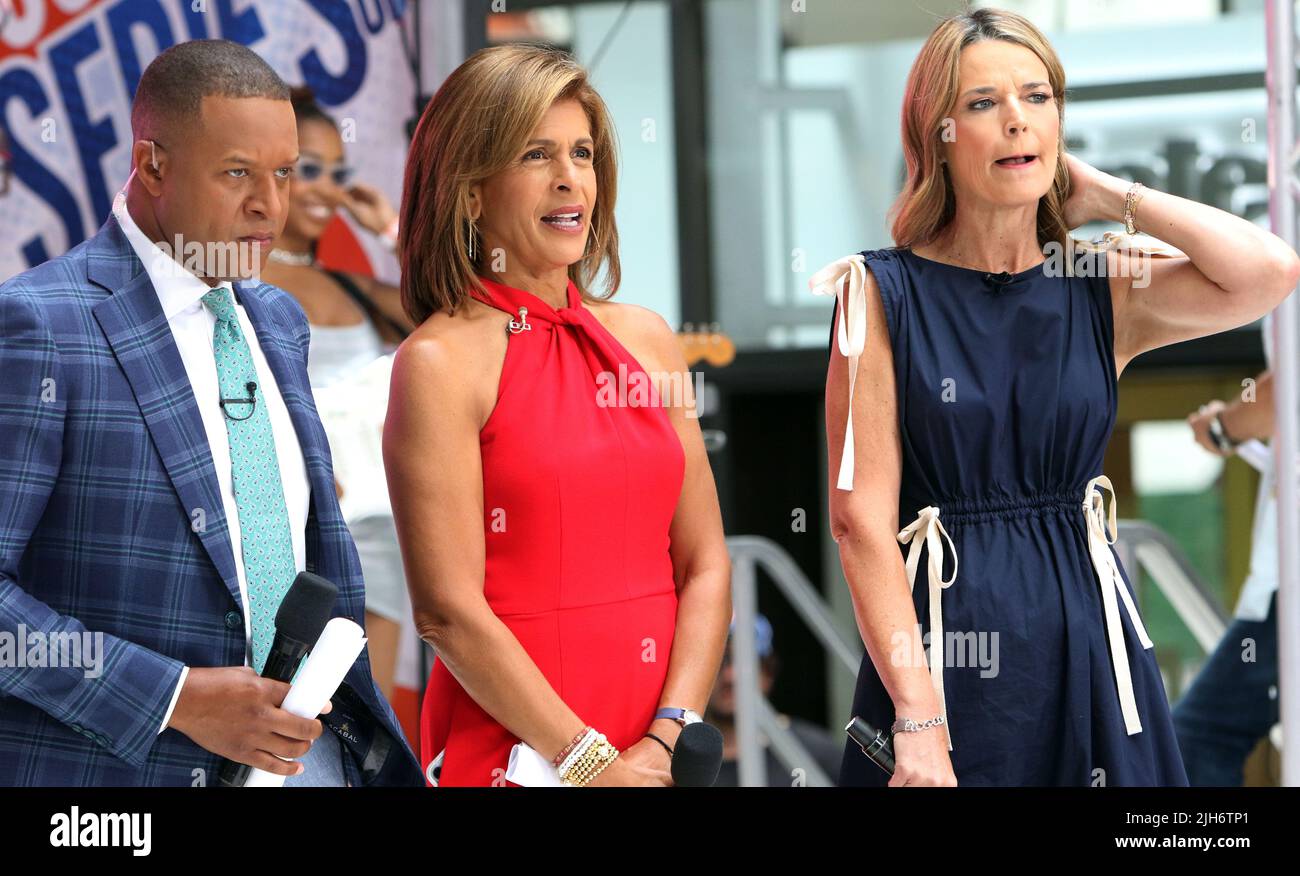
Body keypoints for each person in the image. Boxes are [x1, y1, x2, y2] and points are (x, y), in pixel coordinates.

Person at [816, 7, 1299, 787]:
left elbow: (1268, 272)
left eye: (1037, 98)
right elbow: (858, 523)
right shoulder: (878, 293)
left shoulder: (1098, 282)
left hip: (1091, 639)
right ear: (936, 136)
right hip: (950, 644)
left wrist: (1106, 192)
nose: (1016, 121)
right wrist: (917, 712)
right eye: (983, 104)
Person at [0, 39, 421, 786]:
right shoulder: (41, 323)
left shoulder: (278, 322)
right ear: (153, 163)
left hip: (311, 759)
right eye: (237, 173)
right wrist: (174, 699)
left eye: (283, 174)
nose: (271, 205)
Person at [384, 43, 732, 786]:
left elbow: (705, 564)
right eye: (536, 154)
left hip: (656, 751)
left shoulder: (650, 339)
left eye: (582, 152)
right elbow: (446, 610)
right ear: (470, 191)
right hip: (518, 750)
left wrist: (667, 740)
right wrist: (588, 764)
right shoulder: (437, 362)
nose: (570, 176)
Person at [261, 86, 415, 702]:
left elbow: (463, 313)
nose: (325, 188)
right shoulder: (230, 277)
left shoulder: (352, 289)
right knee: (288, 707)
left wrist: (390, 229)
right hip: (285, 519)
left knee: (367, 713)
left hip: (374, 527)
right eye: (309, 170)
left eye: (338, 174)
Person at [1175, 310, 1282, 785]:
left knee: (1199, 736)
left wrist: (1225, 427)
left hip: (1288, 593)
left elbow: (1287, 387)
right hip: (1281, 590)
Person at [708, 615, 843, 787]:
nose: (730, 676)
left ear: (769, 672)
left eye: (745, 662)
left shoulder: (816, 754)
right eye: (719, 662)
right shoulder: (678, 762)